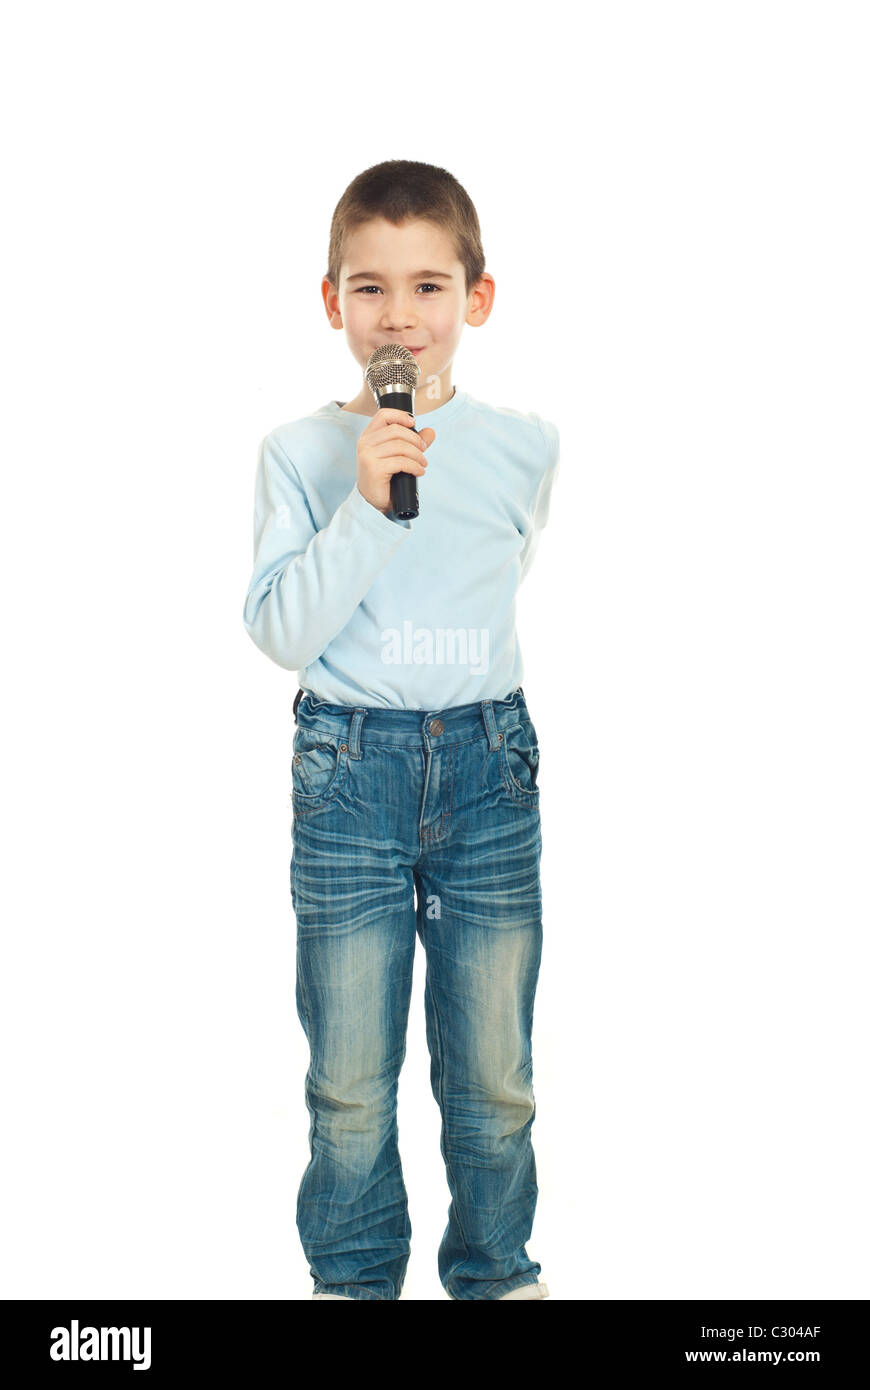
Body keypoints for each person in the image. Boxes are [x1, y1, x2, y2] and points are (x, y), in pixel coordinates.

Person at [242, 160, 559, 1301]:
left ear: (477, 298)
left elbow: (493, 579)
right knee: (352, 1074)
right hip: (350, 775)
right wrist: (367, 508)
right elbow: (283, 626)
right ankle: (354, 1276)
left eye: (430, 286)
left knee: (492, 1071)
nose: (401, 316)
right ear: (333, 304)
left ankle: (495, 1271)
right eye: (370, 289)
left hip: (486, 766)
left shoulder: (527, 443)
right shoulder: (302, 452)